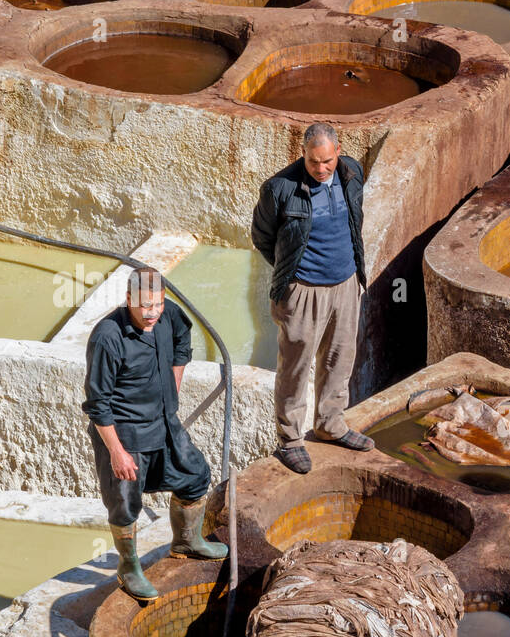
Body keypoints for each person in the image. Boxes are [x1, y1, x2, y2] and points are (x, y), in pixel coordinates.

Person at [82, 267, 229, 601]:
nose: (151, 313)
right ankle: (129, 568)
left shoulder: (168, 315)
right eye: (144, 306)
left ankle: (187, 541)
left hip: (164, 422)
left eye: (157, 305)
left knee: (195, 475)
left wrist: (174, 383)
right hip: (125, 432)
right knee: (125, 504)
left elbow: (182, 340)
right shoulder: (108, 337)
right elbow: (98, 403)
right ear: (129, 299)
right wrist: (117, 452)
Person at [251, 121, 373, 475]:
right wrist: (291, 275)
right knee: (295, 366)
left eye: (327, 161)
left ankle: (331, 424)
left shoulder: (351, 174)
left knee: (340, 357)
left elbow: (354, 223)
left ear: (338, 152)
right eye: (313, 162)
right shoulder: (280, 188)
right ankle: (289, 441)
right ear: (302, 154)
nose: (321, 169)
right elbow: (262, 237)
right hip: (302, 290)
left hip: (346, 284)